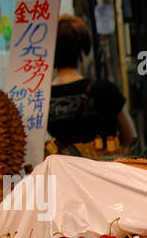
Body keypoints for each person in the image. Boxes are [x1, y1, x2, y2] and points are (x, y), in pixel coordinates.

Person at [47, 15, 138, 148]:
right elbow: (131, 138)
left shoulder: (44, 99)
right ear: (82, 53)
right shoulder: (105, 91)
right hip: (104, 168)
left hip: (59, 169)